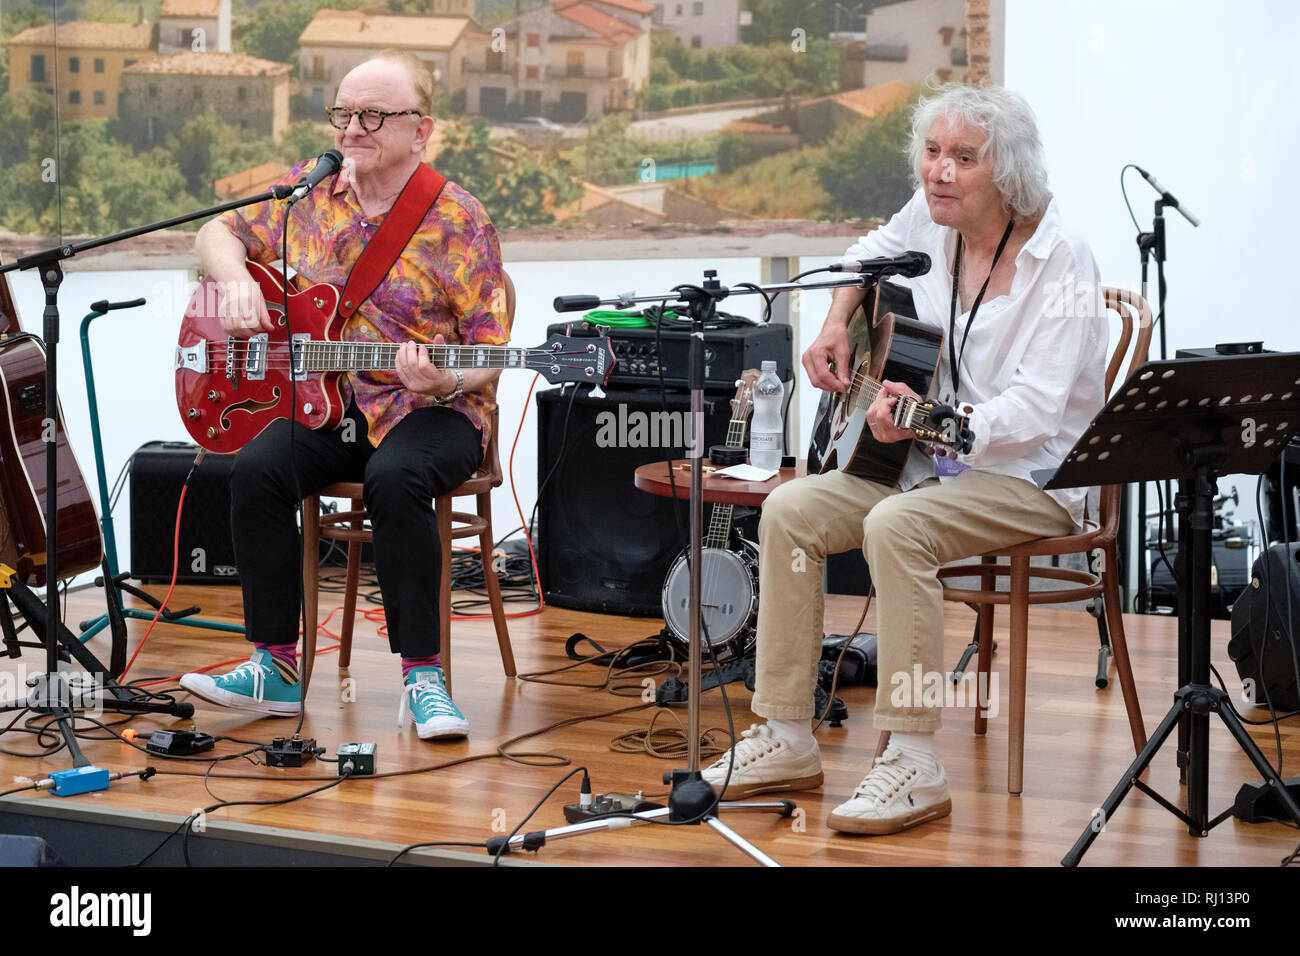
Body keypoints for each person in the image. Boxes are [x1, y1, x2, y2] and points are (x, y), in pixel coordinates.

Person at [701, 84, 1107, 834]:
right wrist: (834, 321)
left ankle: (914, 758)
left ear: (1008, 172)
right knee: (791, 509)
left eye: (963, 158)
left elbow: (1034, 413)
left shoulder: (1062, 259)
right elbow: (862, 257)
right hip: (929, 464)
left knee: (896, 525)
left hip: (1034, 476)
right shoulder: (932, 219)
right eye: (931, 152)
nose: (939, 172)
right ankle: (787, 733)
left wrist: (924, 422)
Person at [179, 52, 508, 741]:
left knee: (396, 477)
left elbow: (491, 351)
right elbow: (215, 232)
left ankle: (423, 676)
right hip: (328, 403)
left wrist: (445, 378)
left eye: (374, 116)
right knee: (256, 470)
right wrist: (236, 280)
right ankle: (275, 664)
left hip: (435, 410)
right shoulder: (310, 192)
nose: (353, 129)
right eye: (344, 113)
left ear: (421, 131)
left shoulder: (458, 219)